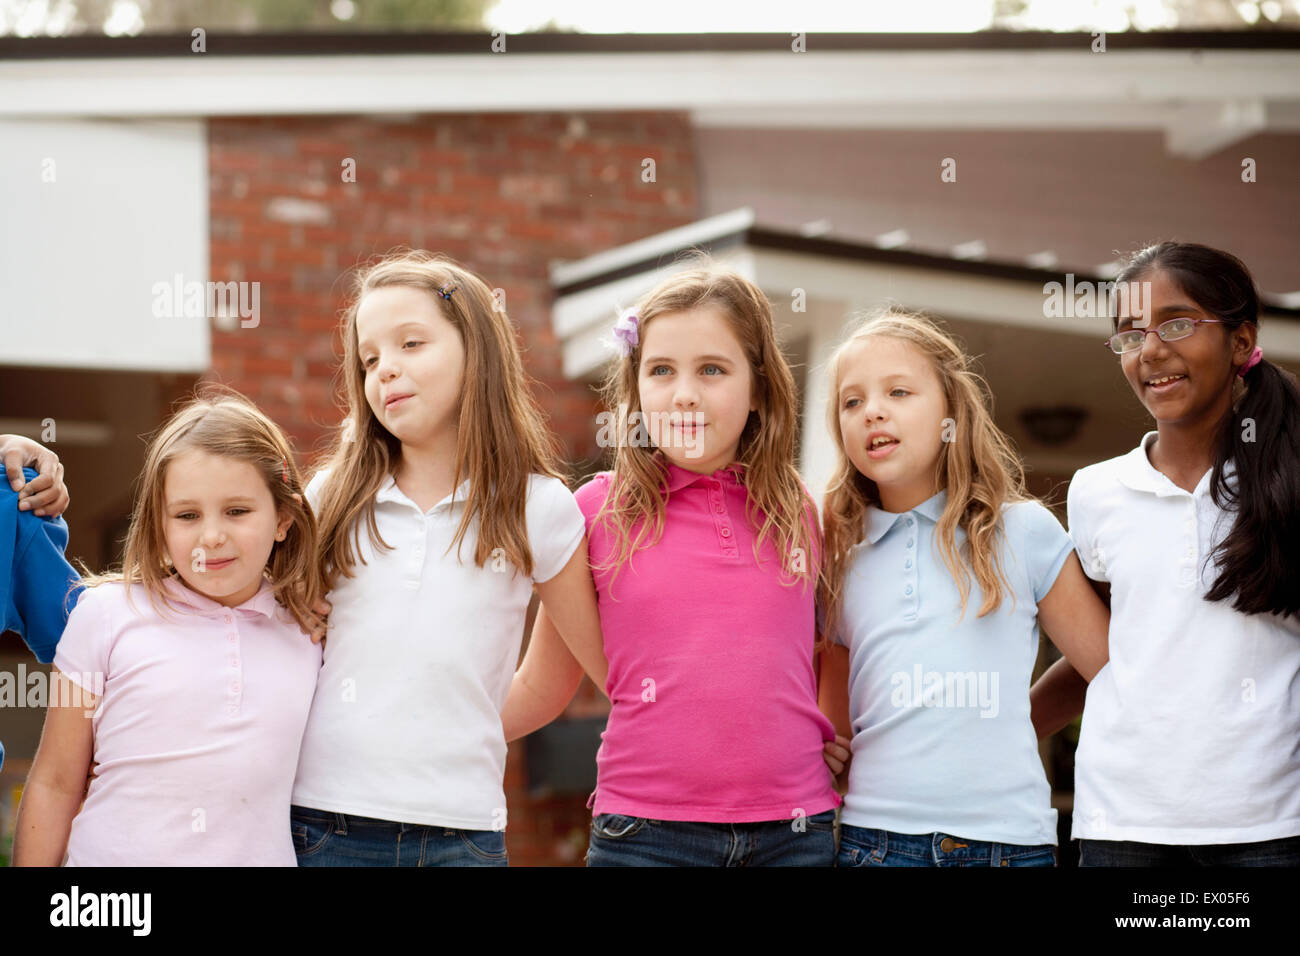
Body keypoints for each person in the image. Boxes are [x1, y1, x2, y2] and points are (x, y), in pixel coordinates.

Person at [503, 263, 840, 866]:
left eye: (712, 369)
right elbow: (541, 685)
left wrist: (837, 732)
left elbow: (817, 654)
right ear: (636, 389)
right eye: (661, 371)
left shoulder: (797, 509)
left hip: (796, 832)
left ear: (759, 387)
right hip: (647, 835)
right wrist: (419, 737)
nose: (684, 393)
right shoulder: (595, 512)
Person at [290, 251, 606, 867]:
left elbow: (562, 678)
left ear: (476, 349)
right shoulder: (328, 497)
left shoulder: (538, 506)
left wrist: (450, 731)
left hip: (462, 835)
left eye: (411, 343)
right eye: (370, 358)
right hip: (324, 827)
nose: (385, 370)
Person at [1031, 242, 1300, 866]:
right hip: (1121, 825)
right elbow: (1104, 653)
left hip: (1267, 830)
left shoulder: (1288, 480)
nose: (1150, 350)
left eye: (1177, 323)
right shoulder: (1098, 491)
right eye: (1129, 334)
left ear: (1241, 341)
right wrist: (1001, 729)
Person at [819, 309, 1109, 867]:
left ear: (952, 412)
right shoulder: (837, 563)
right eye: (851, 402)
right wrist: (828, 753)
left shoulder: (1022, 532)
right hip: (874, 844)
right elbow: (835, 732)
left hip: (1009, 844)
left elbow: (1105, 668)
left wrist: (1010, 722)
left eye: (898, 391)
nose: (872, 410)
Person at [14, 391, 324, 865]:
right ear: (160, 525)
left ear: (283, 517)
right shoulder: (103, 615)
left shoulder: (310, 631)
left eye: (237, 511)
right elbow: (56, 781)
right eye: (187, 515)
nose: (212, 535)